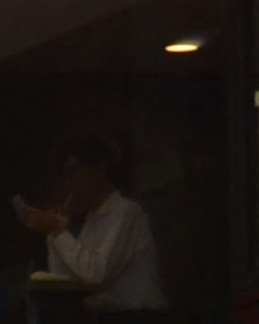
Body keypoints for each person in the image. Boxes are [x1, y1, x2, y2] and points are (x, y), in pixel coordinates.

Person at [15, 133, 165, 313]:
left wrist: (56, 229)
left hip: (140, 320)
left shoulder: (127, 212)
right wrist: (53, 232)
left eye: (74, 172)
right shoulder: (91, 220)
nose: (69, 184)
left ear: (100, 169)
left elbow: (96, 275)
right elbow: (68, 280)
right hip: (111, 320)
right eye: (66, 176)